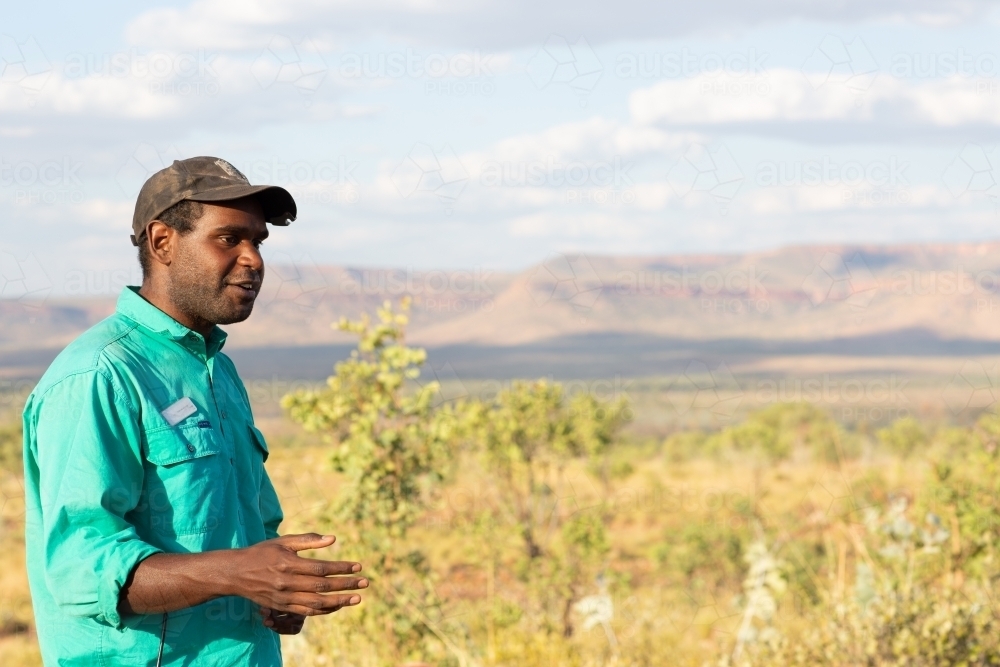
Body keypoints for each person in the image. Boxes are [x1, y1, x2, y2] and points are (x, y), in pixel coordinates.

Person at [22, 156, 367, 665]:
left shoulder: (216, 370)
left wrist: (276, 591)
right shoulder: (100, 376)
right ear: (162, 242)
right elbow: (80, 569)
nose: (253, 260)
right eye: (230, 239)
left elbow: (250, 531)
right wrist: (237, 573)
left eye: (258, 242)